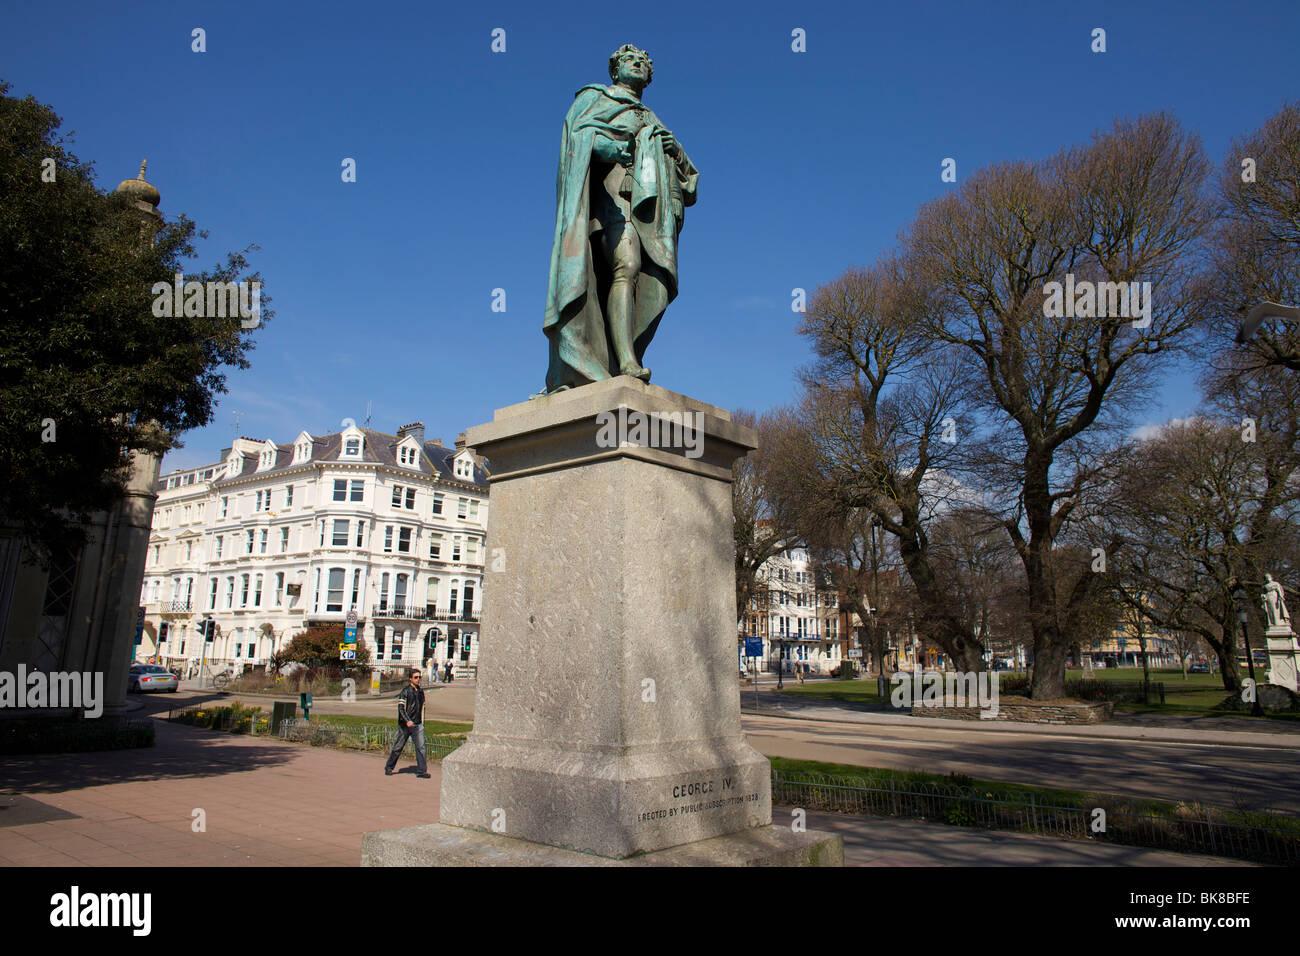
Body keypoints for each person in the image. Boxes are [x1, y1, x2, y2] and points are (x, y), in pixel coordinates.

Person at [541, 43, 699, 394]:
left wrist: (674, 151)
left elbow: (690, 181)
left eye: (645, 62)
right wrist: (607, 147)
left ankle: (620, 357)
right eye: (631, 60)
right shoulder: (595, 98)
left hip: (643, 211)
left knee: (648, 280)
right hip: (608, 200)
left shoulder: (652, 118)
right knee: (625, 266)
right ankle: (626, 361)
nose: (639, 64)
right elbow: (576, 141)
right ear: (615, 69)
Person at [384, 668, 429, 778]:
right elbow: (401, 708)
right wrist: (407, 720)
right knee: (398, 747)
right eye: (415, 677)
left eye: (419, 677)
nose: (418, 679)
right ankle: (389, 767)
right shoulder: (405, 691)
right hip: (406, 725)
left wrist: (422, 722)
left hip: (417, 724)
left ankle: (422, 771)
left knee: (421, 748)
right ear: (410, 679)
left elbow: (423, 707)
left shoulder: (421, 692)